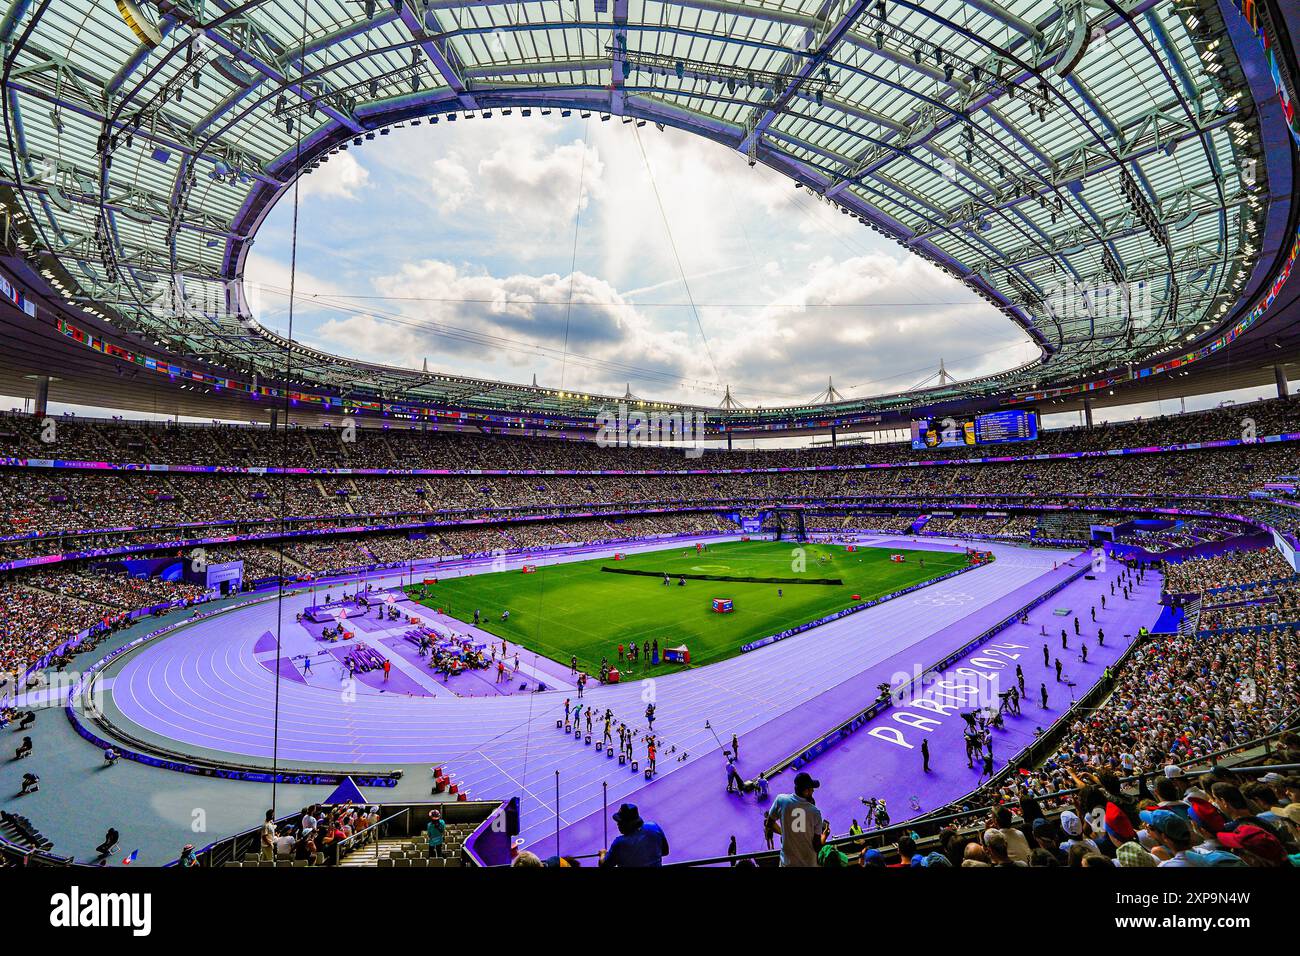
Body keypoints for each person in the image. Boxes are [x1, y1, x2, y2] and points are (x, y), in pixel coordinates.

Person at [765, 772, 824, 867]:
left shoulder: (781, 800)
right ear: (805, 791)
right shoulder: (815, 812)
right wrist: (824, 835)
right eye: (811, 789)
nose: (813, 790)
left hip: (787, 863)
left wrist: (785, 833)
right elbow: (817, 846)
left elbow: (769, 824)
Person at [600, 803, 669, 867]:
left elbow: (604, 866)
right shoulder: (654, 827)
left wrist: (603, 854)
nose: (618, 824)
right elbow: (665, 851)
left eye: (620, 822)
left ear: (628, 824)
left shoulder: (619, 843)